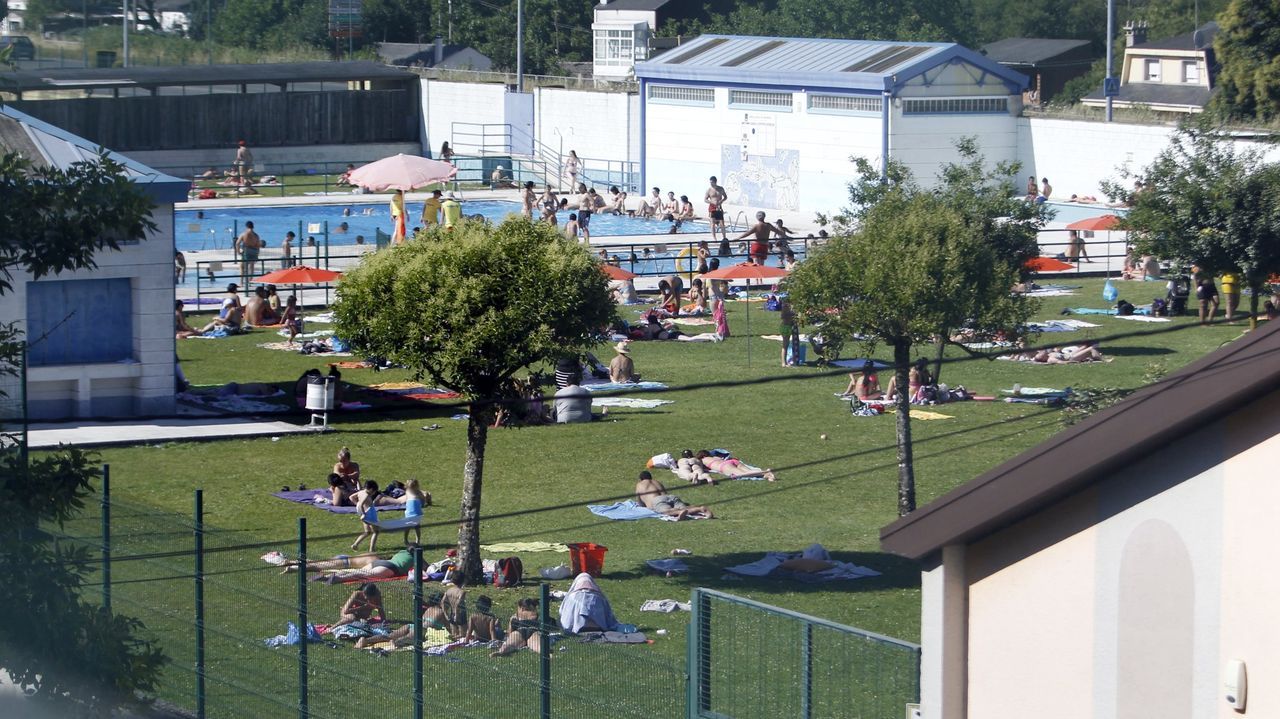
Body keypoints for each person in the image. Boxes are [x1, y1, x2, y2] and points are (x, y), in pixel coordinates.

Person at [281, 548, 415, 581]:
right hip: (345, 563)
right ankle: (293, 567)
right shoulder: (377, 560)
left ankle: (294, 565)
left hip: (345, 558)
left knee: (317, 564)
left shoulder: (373, 556)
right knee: (317, 566)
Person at [635, 471, 712, 520]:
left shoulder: (640, 484)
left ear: (641, 479)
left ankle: (679, 513)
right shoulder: (656, 482)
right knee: (685, 508)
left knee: (666, 512)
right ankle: (700, 509)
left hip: (657, 500)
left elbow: (640, 502)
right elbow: (664, 493)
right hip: (670, 497)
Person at [697, 450, 776, 481]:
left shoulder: (702, 460)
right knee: (749, 471)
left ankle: (765, 472)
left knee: (741, 474)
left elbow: (699, 467)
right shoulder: (714, 457)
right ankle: (766, 475)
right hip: (732, 461)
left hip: (724, 466)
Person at [351, 480, 384, 552]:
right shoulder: (366, 495)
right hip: (369, 514)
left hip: (365, 514)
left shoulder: (360, 492)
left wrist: (356, 504)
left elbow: (351, 497)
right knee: (376, 531)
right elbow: (361, 504)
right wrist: (363, 514)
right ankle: (372, 549)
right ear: (371, 489)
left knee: (367, 532)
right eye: (374, 491)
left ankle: (355, 544)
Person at [401, 478, 430, 546]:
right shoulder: (407, 491)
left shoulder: (418, 492)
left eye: (413, 487)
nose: (412, 489)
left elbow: (423, 499)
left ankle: (418, 540)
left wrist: (422, 503)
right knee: (407, 526)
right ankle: (405, 539)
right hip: (409, 512)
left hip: (416, 512)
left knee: (417, 527)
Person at [233, 221, 263, 286]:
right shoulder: (256, 235)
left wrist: (238, 252)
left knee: (242, 267)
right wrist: (257, 254)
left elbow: (237, 243)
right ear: (253, 226)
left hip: (247, 250)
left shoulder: (244, 234)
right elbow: (258, 245)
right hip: (254, 251)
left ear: (246, 226)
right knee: (251, 266)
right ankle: (250, 281)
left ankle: (241, 283)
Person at [705, 176, 728, 243]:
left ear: (715, 182)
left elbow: (725, 197)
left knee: (722, 223)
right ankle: (714, 238)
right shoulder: (709, 190)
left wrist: (721, 201)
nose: (711, 183)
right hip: (712, 207)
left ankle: (724, 237)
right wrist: (711, 202)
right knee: (712, 223)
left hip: (719, 207)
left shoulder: (720, 189)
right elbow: (705, 199)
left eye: (712, 182)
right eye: (710, 182)